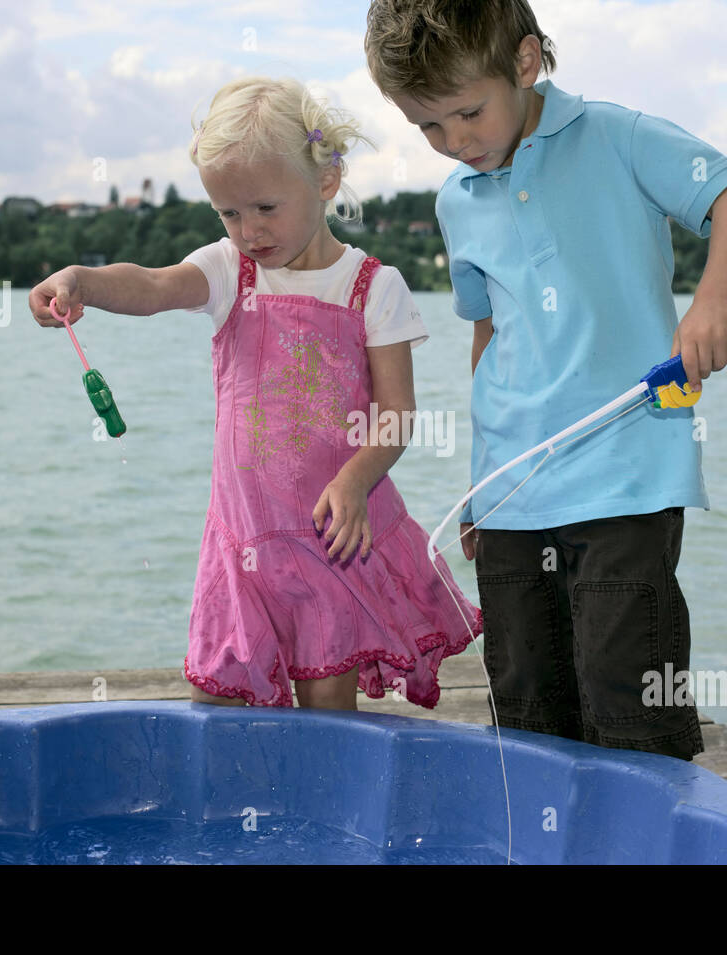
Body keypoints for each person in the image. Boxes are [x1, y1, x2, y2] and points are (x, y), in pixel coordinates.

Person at [364, 0, 727, 759]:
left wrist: (715, 301)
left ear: (524, 63)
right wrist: (484, 485)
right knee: (528, 708)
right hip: (515, 492)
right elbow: (490, 336)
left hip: (627, 479)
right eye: (429, 127)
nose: (455, 142)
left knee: (629, 698)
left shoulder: (616, 136)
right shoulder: (457, 199)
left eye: (467, 113)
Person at [28, 76, 482, 711]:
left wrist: (355, 482)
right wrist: (81, 281)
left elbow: (397, 415)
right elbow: (154, 286)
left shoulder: (372, 287)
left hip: (330, 544)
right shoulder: (229, 272)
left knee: (327, 723)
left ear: (325, 181)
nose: (249, 229)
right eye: (230, 213)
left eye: (266, 208)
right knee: (216, 709)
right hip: (240, 543)